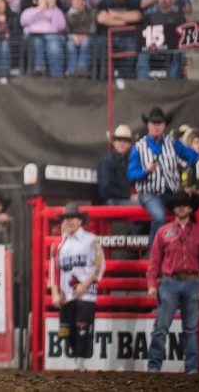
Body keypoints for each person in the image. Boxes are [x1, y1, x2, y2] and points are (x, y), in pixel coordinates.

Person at [146, 191, 199, 374]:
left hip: (192, 282)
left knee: (190, 329)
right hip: (169, 282)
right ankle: (154, 367)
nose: (182, 208)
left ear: (190, 209)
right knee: (161, 327)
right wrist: (151, 284)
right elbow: (154, 260)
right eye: (179, 205)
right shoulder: (163, 232)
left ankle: (191, 369)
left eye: (185, 205)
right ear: (174, 209)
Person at [128, 106, 199, 245]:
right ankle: (154, 253)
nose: (156, 126)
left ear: (164, 125)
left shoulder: (173, 143)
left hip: (171, 193)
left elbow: (190, 155)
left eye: (159, 123)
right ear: (148, 125)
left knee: (193, 207)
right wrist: (146, 171)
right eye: (153, 123)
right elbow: (131, 174)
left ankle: (188, 248)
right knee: (159, 216)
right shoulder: (138, 147)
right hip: (149, 193)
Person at [50, 203, 104, 372]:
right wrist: (55, 293)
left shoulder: (91, 240)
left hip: (86, 293)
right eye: (66, 218)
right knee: (68, 332)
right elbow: (54, 271)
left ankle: (81, 364)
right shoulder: (58, 245)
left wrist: (84, 284)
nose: (69, 221)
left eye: (72, 218)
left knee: (82, 328)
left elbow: (99, 265)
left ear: (80, 221)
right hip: (67, 295)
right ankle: (78, 362)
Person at [97, 125, 135, 205]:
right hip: (111, 202)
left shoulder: (127, 162)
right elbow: (106, 189)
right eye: (119, 139)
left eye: (125, 140)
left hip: (121, 200)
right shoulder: (107, 161)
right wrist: (128, 196)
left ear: (129, 144)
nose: (122, 143)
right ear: (114, 142)